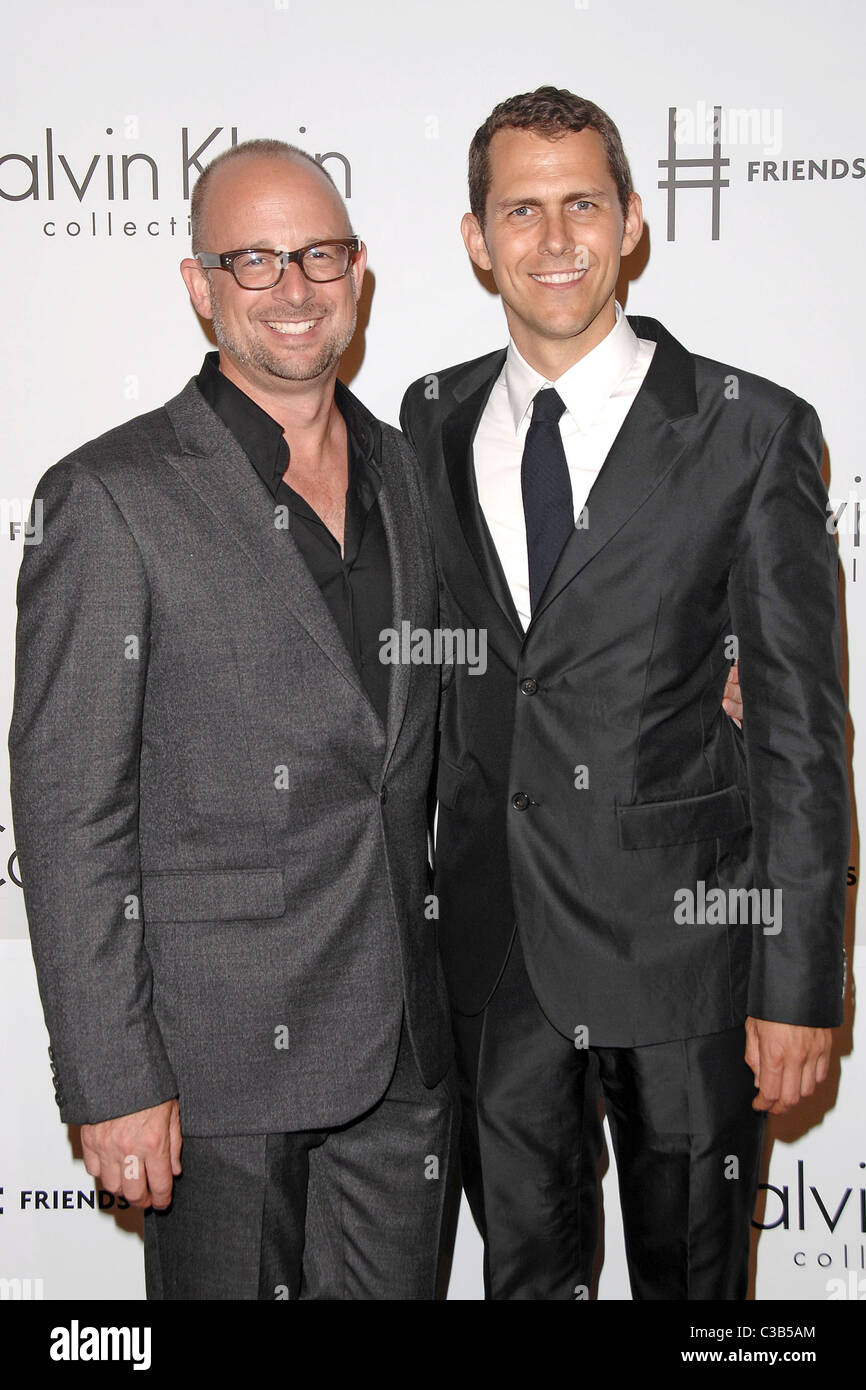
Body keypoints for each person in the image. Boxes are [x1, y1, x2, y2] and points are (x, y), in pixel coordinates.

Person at [400, 87, 848, 1300]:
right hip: (495, 963)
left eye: (581, 205)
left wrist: (797, 981)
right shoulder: (429, 418)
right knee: (524, 1282)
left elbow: (803, 731)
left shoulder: (745, 430)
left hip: (687, 955)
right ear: (475, 239)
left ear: (633, 223)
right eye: (521, 210)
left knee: (698, 1292)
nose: (554, 241)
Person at [9, 139, 455, 1301]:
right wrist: (111, 1077)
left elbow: (467, 706)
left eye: (317, 254)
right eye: (251, 260)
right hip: (211, 1075)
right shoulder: (109, 496)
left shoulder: (413, 477)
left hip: (402, 1048)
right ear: (198, 286)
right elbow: (68, 813)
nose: (294, 288)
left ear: (358, 272)